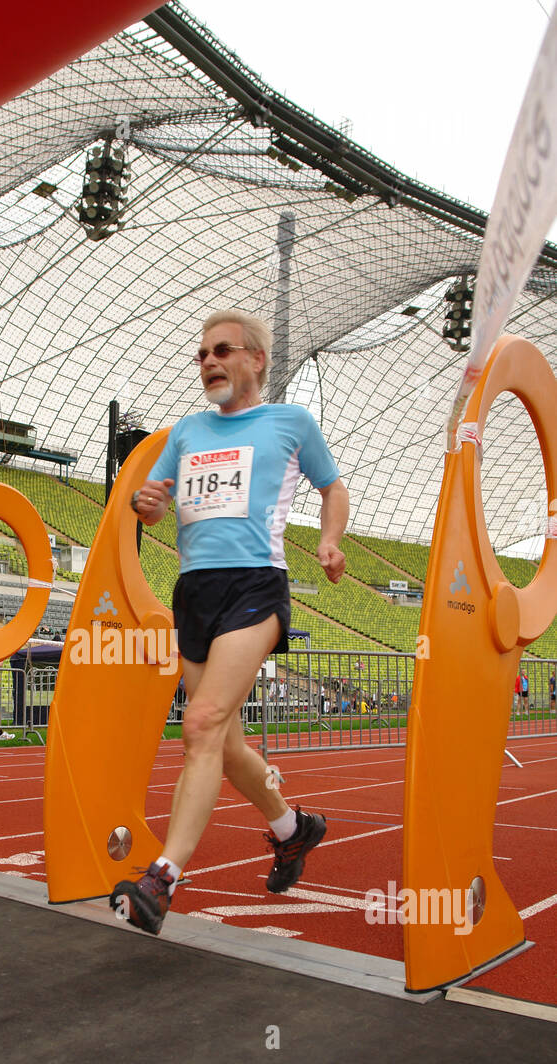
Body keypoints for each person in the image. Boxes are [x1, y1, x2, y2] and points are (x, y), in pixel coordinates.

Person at [110, 310, 348, 935]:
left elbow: (334, 487)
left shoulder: (291, 423)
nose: (209, 362)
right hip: (194, 591)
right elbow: (153, 506)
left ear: (256, 360)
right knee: (228, 744)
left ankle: (161, 878)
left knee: (202, 722)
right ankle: (293, 831)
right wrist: (148, 501)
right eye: (202, 355)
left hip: (255, 586)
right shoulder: (187, 431)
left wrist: (329, 540)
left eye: (222, 350)